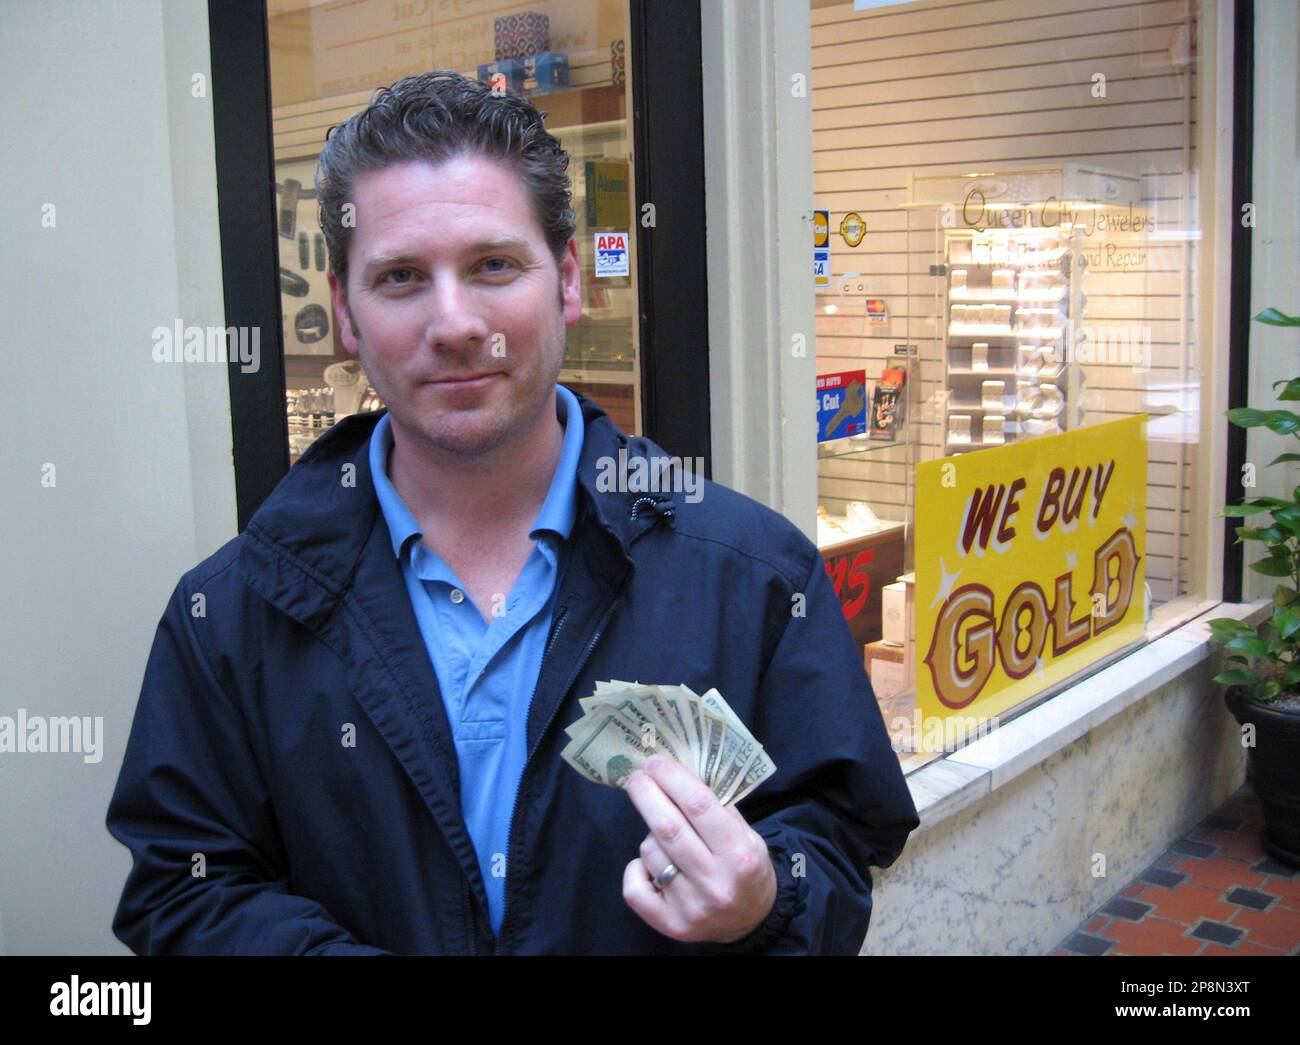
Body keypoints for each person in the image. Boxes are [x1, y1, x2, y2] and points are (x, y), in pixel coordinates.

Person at [105, 70, 919, 955]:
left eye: (493, 265)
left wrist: (768, 900)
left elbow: (842, 835)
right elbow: (183, 892)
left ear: (568, 281)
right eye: (401, 277)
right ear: (346, 313)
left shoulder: (754, 573)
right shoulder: (231, 613)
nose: (454, 323)